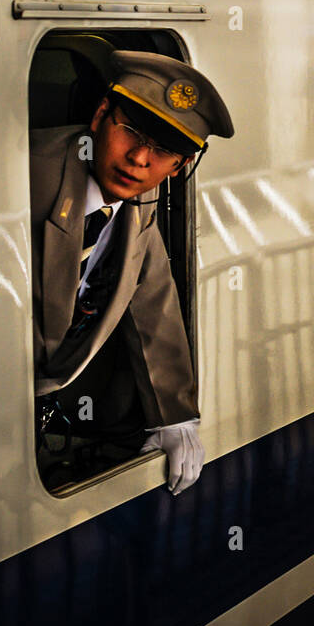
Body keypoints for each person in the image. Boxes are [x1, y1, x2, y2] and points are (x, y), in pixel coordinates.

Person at [30, 52, 232, 493]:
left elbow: (151, 293)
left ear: (179, 168)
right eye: (132, 133)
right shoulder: (32, 176)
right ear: (102, 115)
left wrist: (175, 417)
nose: (140, 158)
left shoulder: (140, 200)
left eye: (164, 151)